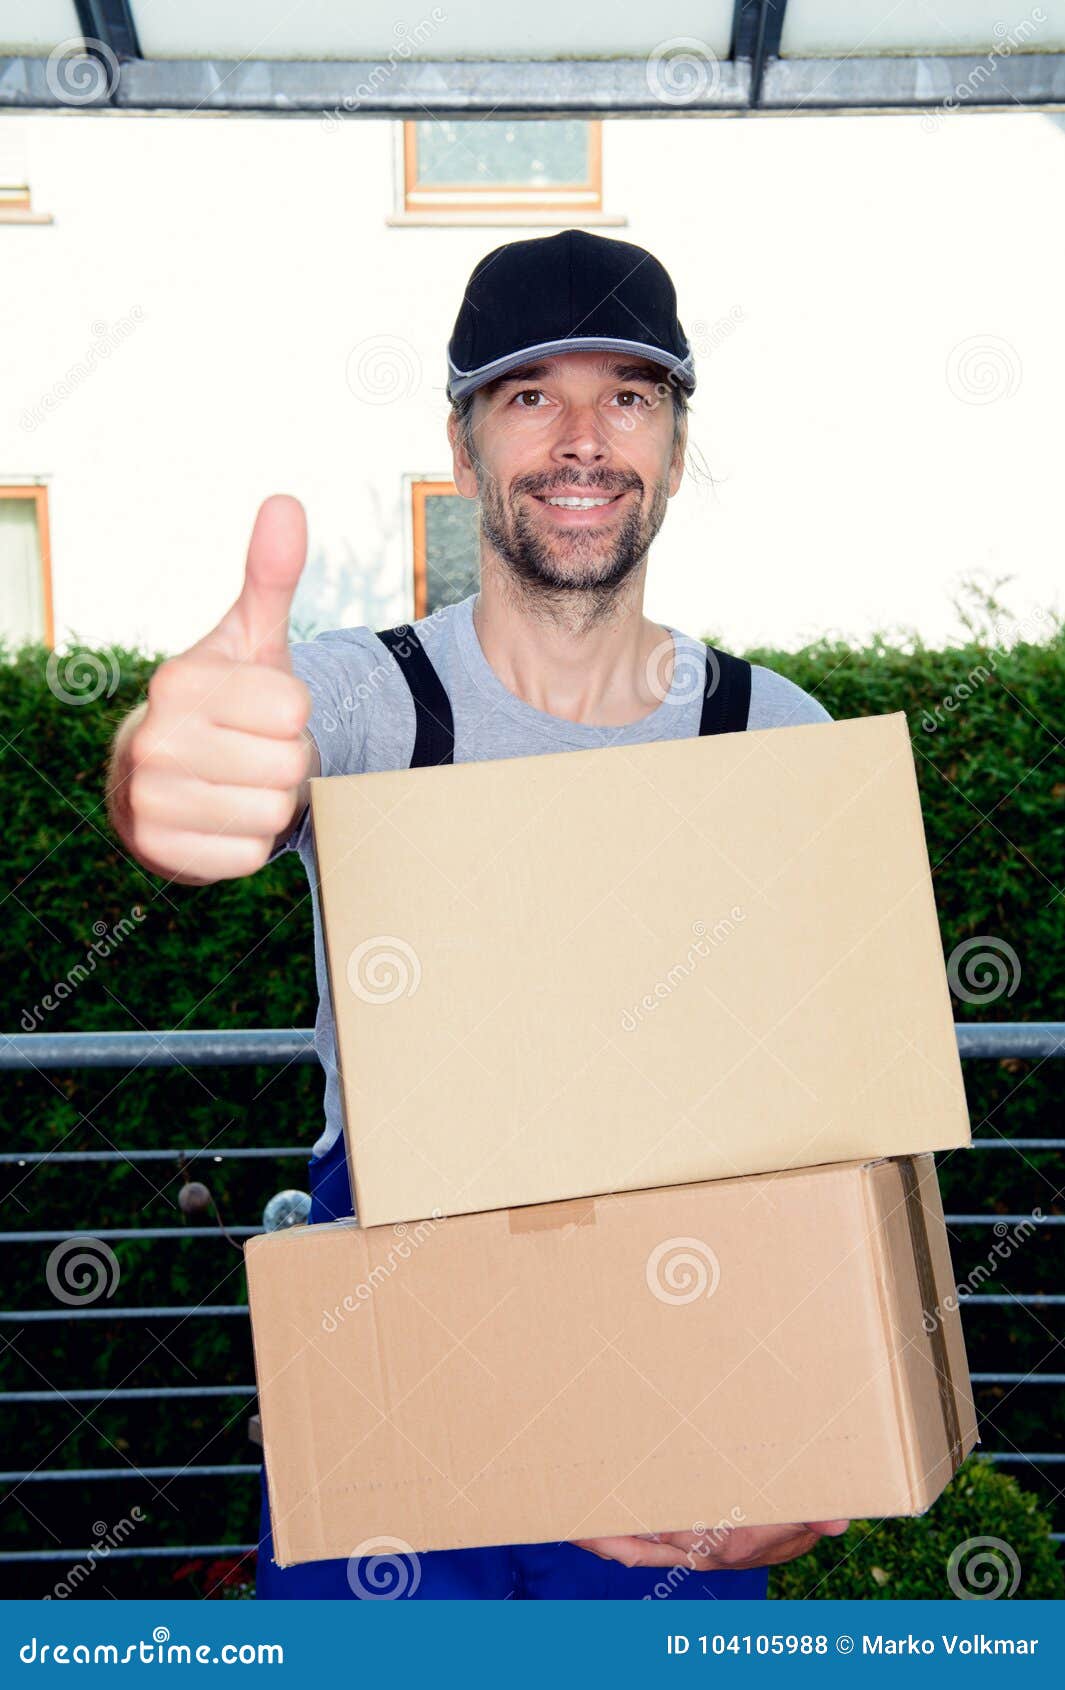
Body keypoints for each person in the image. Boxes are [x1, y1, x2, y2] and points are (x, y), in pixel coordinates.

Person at [107, 228, 849, 1600]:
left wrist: (835, 1410)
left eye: (625, 395)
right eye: (528, 396)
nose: (581, 438)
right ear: (463, 450)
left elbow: (835, 1132)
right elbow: (228, 764)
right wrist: (172, 778)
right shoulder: (371, 702)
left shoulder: (775, 732)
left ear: (677, 448)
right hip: (399, 1339)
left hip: (675, 1361)